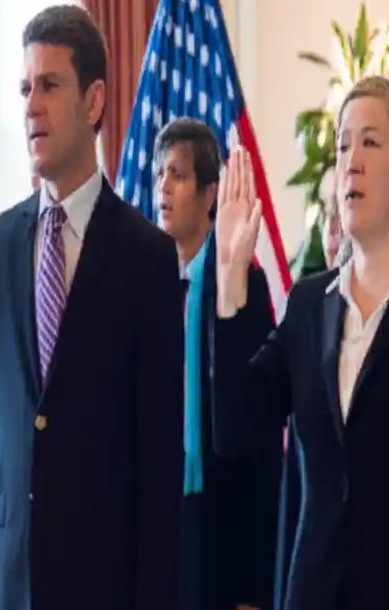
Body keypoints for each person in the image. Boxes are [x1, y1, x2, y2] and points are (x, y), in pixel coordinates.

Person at [0, 4, 184, 609]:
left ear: (94, 100)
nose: (31, 105)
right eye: (25, 88)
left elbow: (161, 464)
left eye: (50, 85)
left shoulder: (148, 257)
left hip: (102, 579)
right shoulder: (1, 242)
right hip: (5, 575)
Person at [212, 76, 389, 610]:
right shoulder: (309, 305)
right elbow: (235, 431)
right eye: (343, 145)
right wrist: (230, 280)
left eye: (371, 141)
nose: (351, 161)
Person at [153, 118, 279, 610]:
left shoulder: (243, 284)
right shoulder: (147, 284)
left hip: (224, 521)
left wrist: (253, 584)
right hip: (165, 517)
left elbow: (261, 441)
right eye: (160, 173)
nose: (163, 186)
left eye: (179, 175)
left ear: (211, 195)